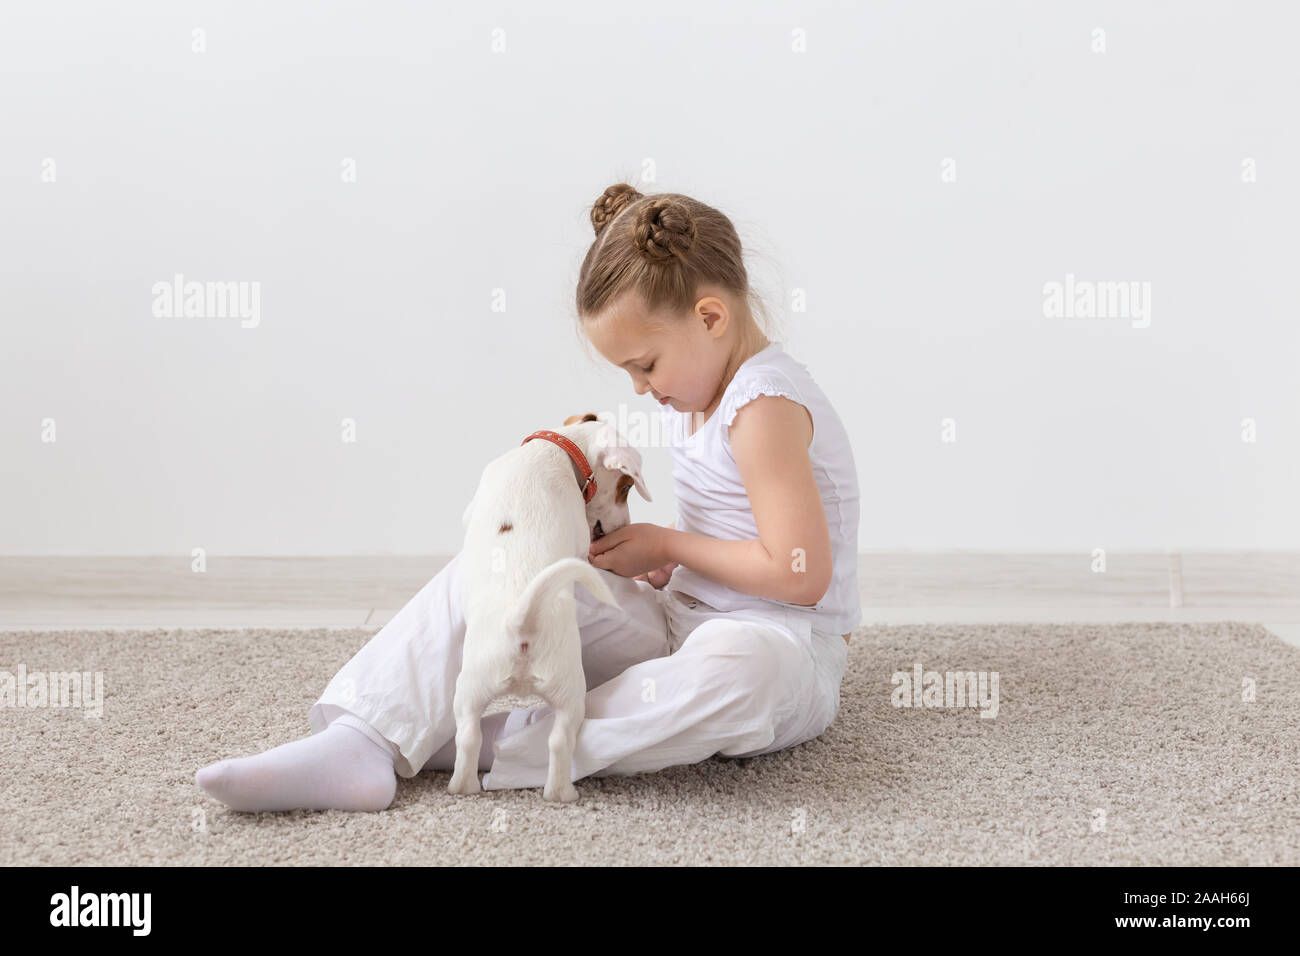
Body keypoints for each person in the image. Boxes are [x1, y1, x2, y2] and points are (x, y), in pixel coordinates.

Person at [194, 182, 862, 811]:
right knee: (513, 563)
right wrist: (666, 563)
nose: (640, 388)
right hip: (679, 618)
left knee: (740, 673)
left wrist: (668, 543)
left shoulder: (763, 406)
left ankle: (492, 743)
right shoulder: (697, 390)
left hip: (783, 644)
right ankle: (364, 735)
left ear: (710, 317)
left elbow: (798, 576)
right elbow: (730, 531)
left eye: (645, 366)